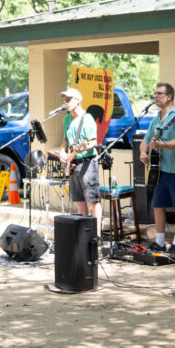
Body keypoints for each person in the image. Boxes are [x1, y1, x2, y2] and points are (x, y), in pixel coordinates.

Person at [139, 82, 175, 255]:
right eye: (154, 94)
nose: (155, 97)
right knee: (158, 205)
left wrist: (160, 146)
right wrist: (143, 153)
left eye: (159, 94)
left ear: (169, 96)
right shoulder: (156, 119)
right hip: (162, 170)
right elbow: (146, 140)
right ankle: (160, 242)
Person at [59, 88, 102, 237]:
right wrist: (63, 152)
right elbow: (65, 139)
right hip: (73, 163)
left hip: (87, 162)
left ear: (78, 100)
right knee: (79, 200)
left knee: (93, 200)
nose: (66, 103)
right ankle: (84, 236)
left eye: (68, 99)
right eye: (64, 100)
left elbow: (92, 142)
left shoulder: (87, 118)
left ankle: (96, 236)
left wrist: (82, 148)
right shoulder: (66, 119)